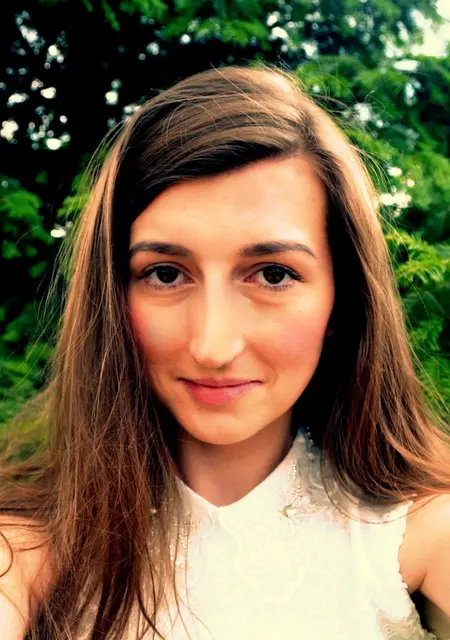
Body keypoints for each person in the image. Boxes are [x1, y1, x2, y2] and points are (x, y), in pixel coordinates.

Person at [1, 64, 450, 640]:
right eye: (166, 274)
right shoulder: (25, 548)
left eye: (273, 274)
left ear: (344, 299)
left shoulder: (420, 533)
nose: (213, 346)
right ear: (111, 298)